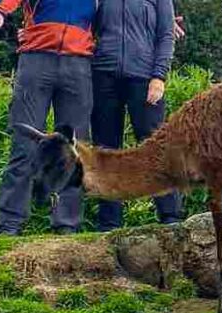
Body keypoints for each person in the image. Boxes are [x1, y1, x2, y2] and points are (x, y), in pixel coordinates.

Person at [0, 0, 96, 235]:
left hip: (78, 65)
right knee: (24, 143)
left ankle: (67, 225)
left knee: (74, 150)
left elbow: (118, 15)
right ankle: (9, 225)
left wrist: (152, 20)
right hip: (36, 60)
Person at [90, 0, 184, 231]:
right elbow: (82, 22)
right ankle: (109, 224)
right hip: (102, 75)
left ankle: (170, 217)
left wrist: (159, 76)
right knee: (106, 149)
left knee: (155, 146)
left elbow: (165, 35)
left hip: (144, 77)